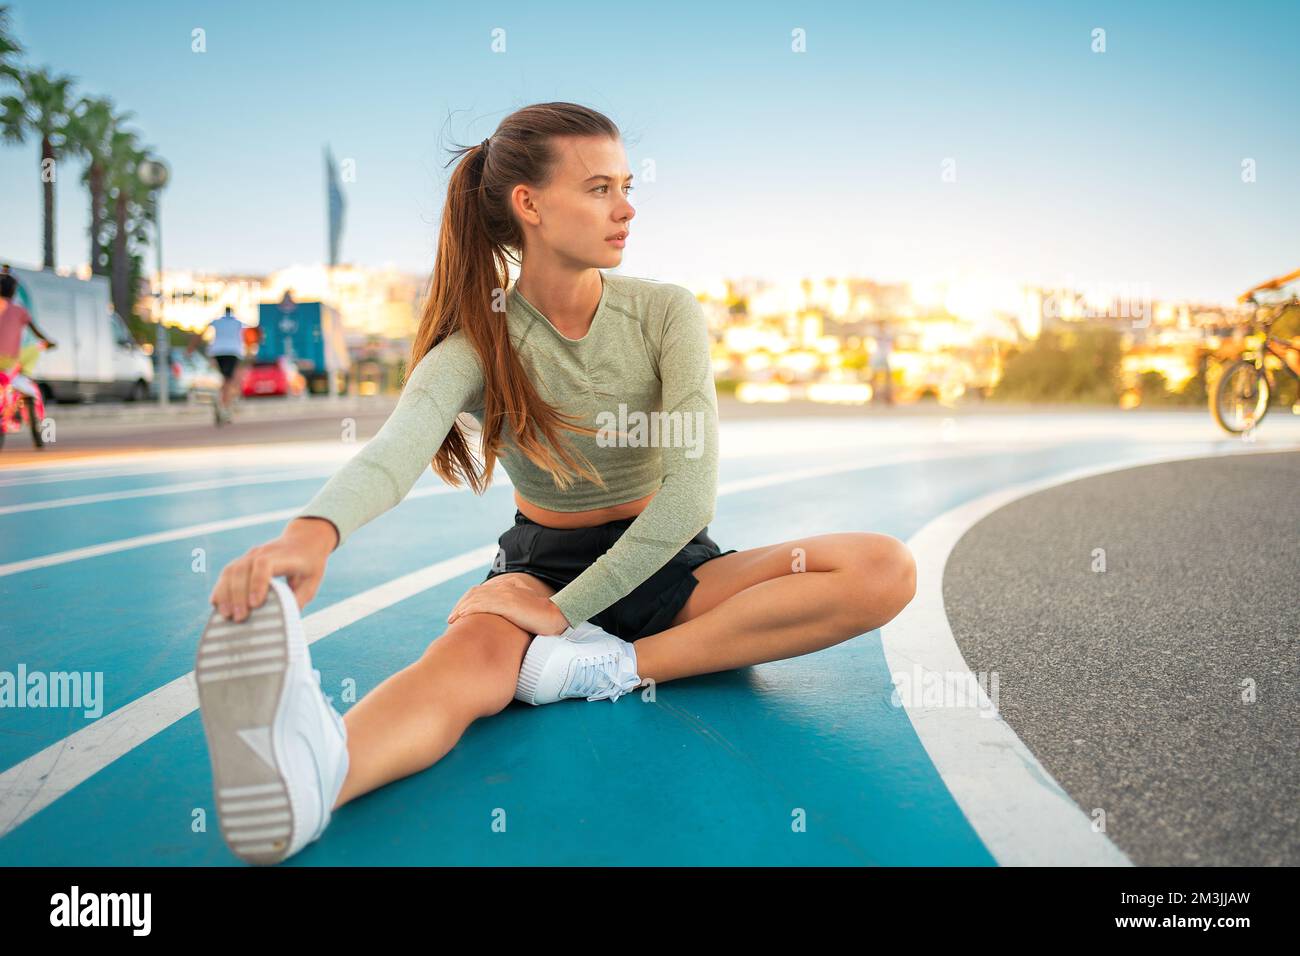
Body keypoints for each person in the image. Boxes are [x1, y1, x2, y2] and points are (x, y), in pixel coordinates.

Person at [195, 102, 918, 865]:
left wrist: (569, 619)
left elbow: (687, 498)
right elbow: (393, 451)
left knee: (881, 568)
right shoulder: (480, 341)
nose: (627, 207)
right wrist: (311, 534)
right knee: (460, 672)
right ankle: (318, 778)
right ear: (530, 205)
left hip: (668, 561)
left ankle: (614, 668)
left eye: (627, 185)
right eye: (600, 187)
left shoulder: (665, 312)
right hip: (538, 567)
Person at [0, 271, 57, 443]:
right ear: (13, 291)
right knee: (31, 355)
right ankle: (23, 387)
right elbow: (36, 331)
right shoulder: (20, 311)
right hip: (9, 361)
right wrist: (49, 342)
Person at [186, 305, 244, 424]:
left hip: (217, 351)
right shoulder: (238, 322)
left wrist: (191, 347)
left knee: (224, 379)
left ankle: (221, 402)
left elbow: (200, 333)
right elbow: (251, 334)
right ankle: (224, 407)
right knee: (229, 381)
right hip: (232, 352)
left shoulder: (217, 321)